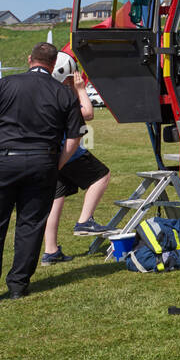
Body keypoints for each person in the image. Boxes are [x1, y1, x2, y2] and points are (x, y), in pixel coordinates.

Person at [0, 42, 85, 303]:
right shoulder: (63, 93)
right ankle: (18, 284)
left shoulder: (5, 84)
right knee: (31, 225)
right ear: (54, 65)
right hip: (42, 162)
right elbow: (74, 138)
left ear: (29, 59)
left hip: (3, 160)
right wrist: (57, 163)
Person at [41, 67, 113, 264]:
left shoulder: (45, 92)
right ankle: (84, 221)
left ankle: (50, 250)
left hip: (51, 153)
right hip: (70, 152)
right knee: (101, 176)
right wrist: (80, 89)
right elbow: (88, 114)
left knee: (56, 200)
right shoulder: (63, 95)